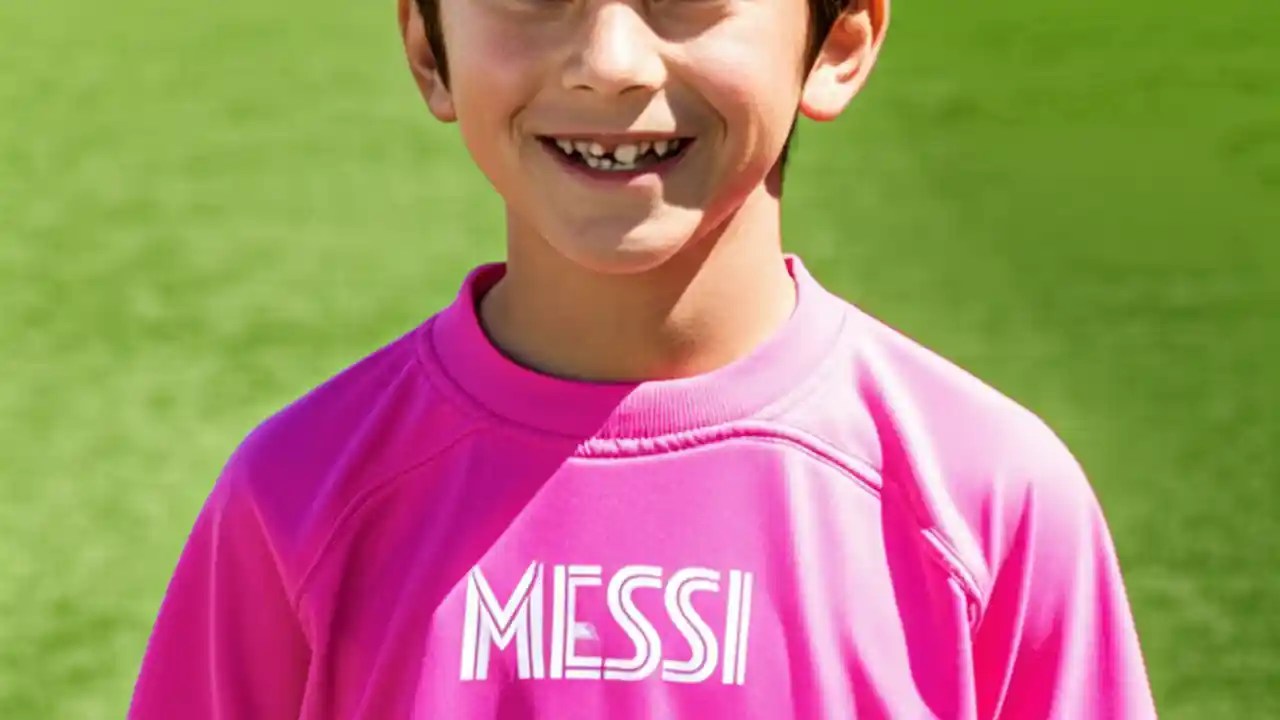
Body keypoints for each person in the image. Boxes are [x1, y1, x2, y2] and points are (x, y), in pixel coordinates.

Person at [129, 0, 1158, 717]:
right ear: (426, 45)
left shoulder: (984, 501)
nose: (609, 58)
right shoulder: (296, 499)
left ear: (836, 41)